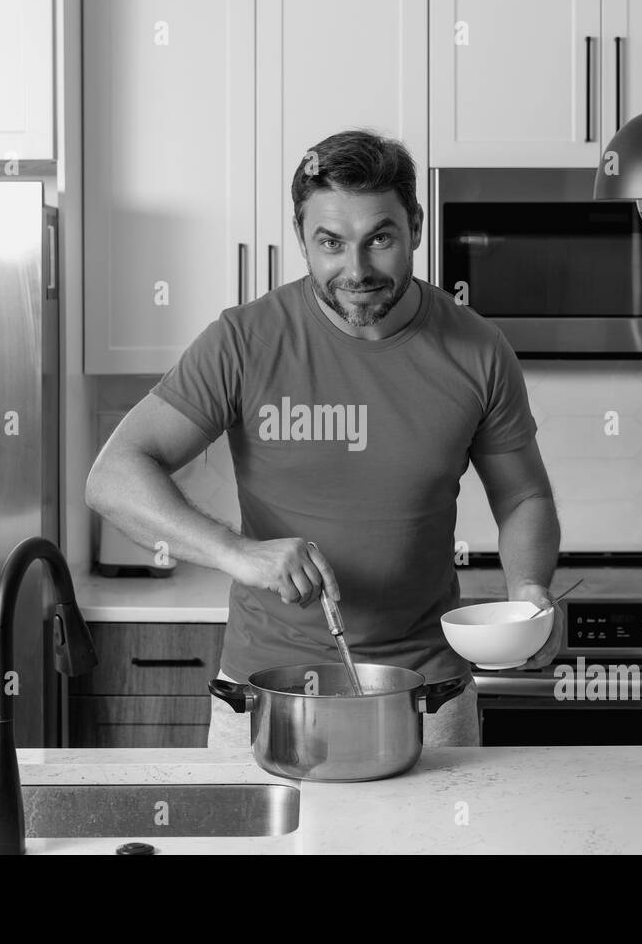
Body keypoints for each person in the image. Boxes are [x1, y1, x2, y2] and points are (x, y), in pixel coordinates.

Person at [85, 129, 561, 748]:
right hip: (268, 693)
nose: (356, 270)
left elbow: (523, 497)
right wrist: (236, 553)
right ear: (302, 237)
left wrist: (529, 590)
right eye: (331, 243)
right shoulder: (244, 341)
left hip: (426, 696)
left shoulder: (478, 350)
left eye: (380, 239)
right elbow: (113, 474)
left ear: (416, 226)